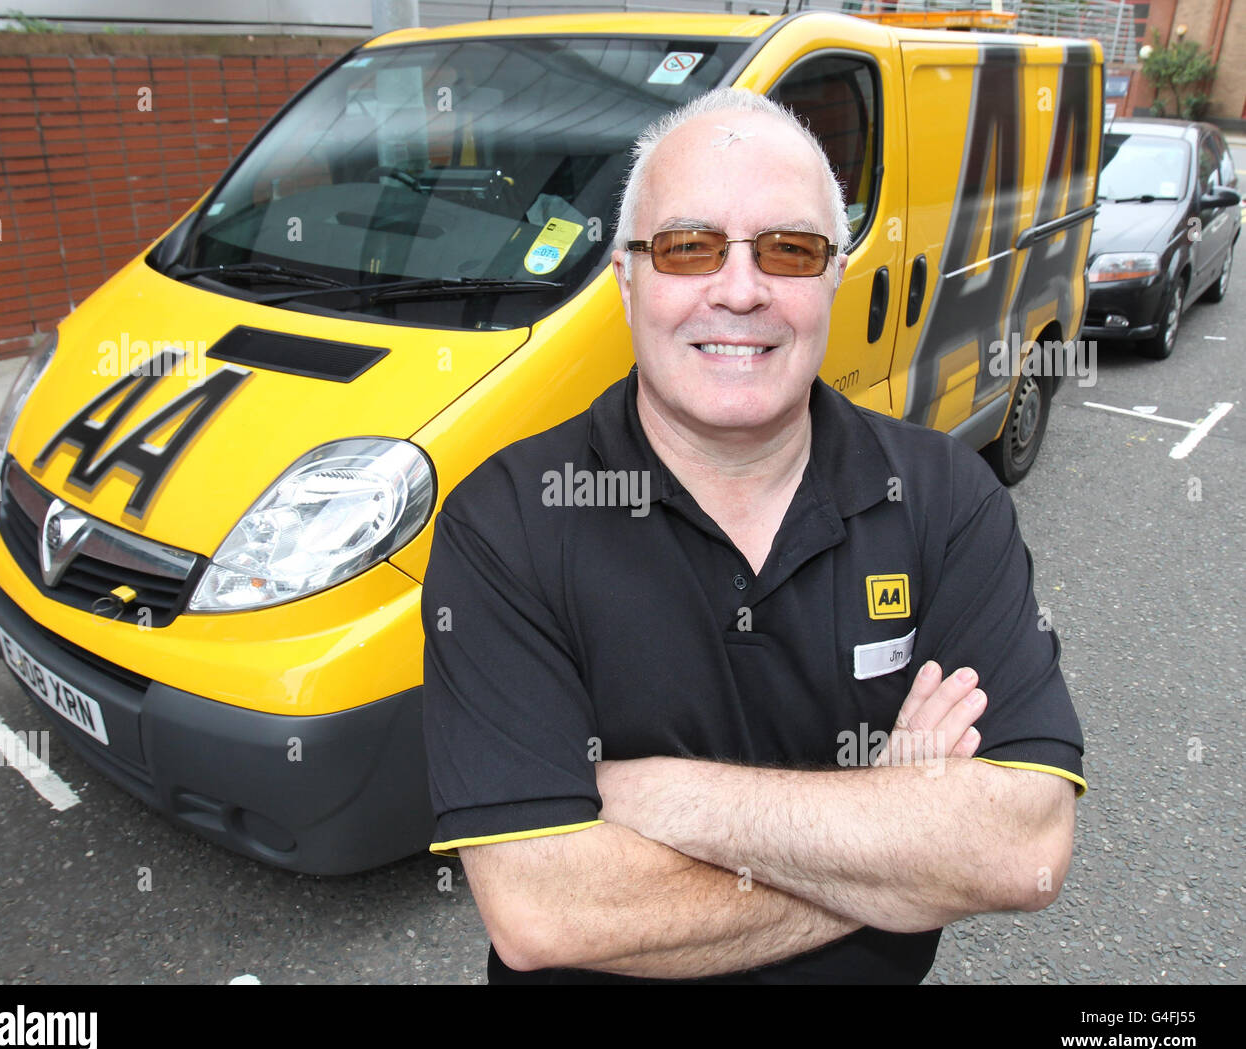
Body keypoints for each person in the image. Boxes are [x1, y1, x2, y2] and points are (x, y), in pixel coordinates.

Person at [420, 87, 1086, 984]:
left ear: (834, 278)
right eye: (689, 248)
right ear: (627, 278)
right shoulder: (505, 525)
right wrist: (899, 840)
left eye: (790, 249)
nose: (740, 291)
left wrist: (664, 797)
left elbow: (1023, 846)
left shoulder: (946, 498)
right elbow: (546, 911)